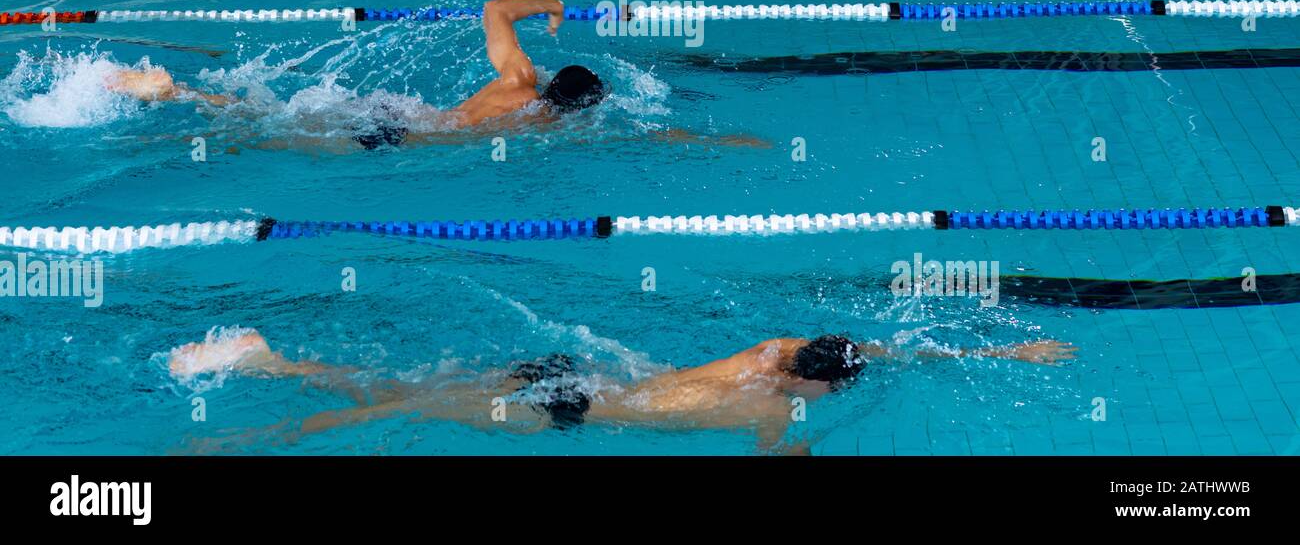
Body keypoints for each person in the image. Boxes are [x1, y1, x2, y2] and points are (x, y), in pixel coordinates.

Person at [168, 329, 1076, 450]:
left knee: (404, 382)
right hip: (566, 407)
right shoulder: (779, 405)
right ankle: (252, 433)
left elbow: (875, 347)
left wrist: (1010, 356)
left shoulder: (774, 355)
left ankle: (273, 363)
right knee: (397, 405)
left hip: (570, 375)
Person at [97, 0, 763, 151]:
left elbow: (496, 7)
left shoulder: (517, 81)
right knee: (268, 133)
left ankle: (180, 90)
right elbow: (646, 137)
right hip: (403, 138)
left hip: (397, 110)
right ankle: (177, 92)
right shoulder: (545, 125)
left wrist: (553, 6)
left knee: (275, 114)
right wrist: (719, 141)